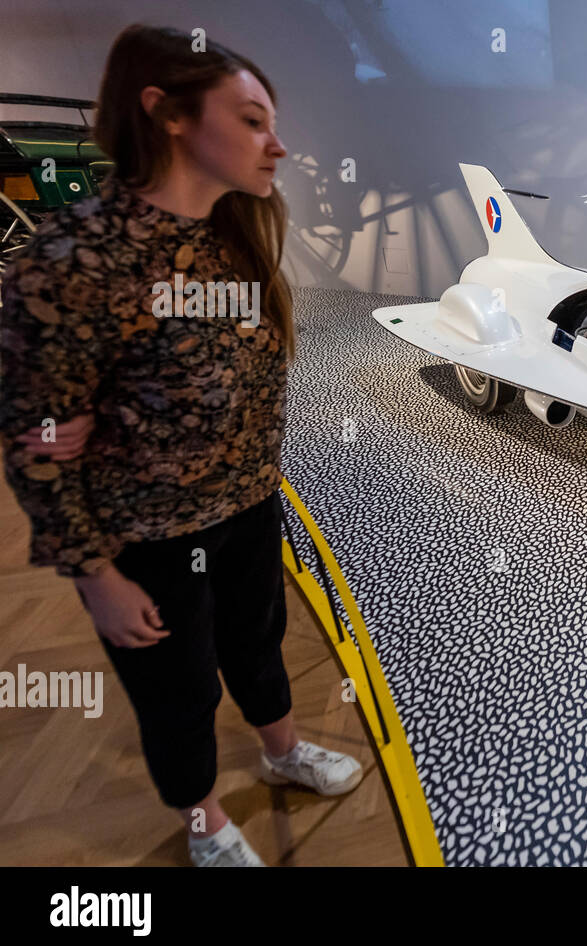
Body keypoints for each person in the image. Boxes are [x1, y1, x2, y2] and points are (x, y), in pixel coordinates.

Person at [0, 24, 361, 867]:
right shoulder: (72, 258)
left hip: (246, 503)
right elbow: (36, 441)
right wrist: (95, 576)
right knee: (177, 691)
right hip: (149, 536)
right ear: (165, 114)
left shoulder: (233, 234)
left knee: (256, 642)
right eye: (250, 119)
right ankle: (203, 822)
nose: (276, 144)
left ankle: (281, 754)